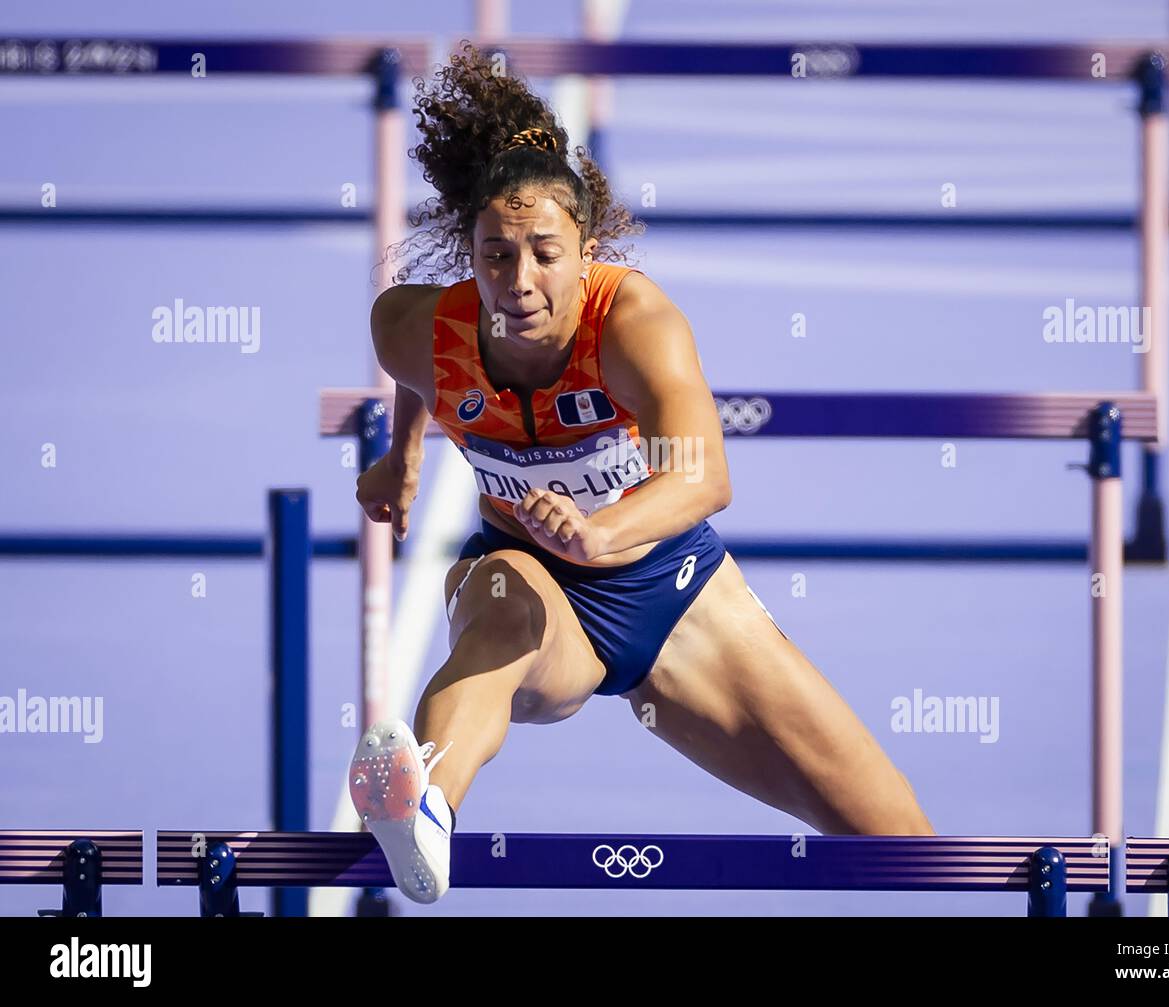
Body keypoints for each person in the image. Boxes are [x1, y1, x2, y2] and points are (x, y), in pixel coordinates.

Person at [349, 41, 933, 904]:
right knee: (498, 615)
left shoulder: (633, 324)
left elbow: (702, 477)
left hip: (673, 590)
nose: (520, 282)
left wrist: (599, 530)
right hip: (536, 589)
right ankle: (423, 807)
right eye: (496, 255)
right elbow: (416, 377)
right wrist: (403, 458)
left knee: (903, 848)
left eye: (545, 253)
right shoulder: (415, 326)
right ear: (469, 252)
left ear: (585, 248)